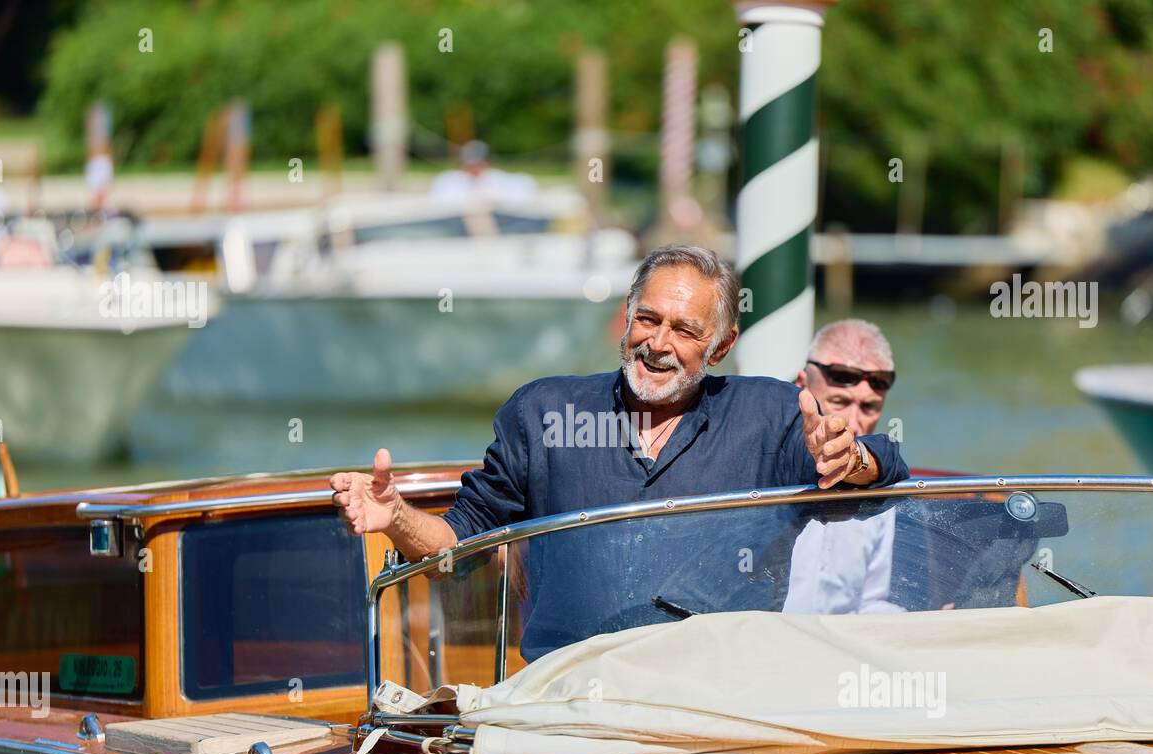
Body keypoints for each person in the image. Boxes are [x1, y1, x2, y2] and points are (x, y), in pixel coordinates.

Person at [332, 245, 910, 658]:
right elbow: (461, 548)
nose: (658, 344)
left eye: (685, 331)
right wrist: (398, 517)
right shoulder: (544, 413)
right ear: (626, 317)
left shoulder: (770, 412)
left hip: (718, 705)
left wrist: (850, 459)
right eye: (648, 320)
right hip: (568, 702)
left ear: (722, 345)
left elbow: (887, 463)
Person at [783, 319, 903, 615]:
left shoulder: (882, 487)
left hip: (841, 652)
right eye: (839, 401)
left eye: (869, 407)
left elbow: (871, 602)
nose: (853, 422)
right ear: (802, 387)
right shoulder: (762, 462)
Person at [427, 140, 537, 204]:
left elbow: (524, 189)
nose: (473, 169)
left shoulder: (498, 179)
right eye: (469, 165)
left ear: (485, 163)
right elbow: (438, 200)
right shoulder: (449, 180)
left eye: (477, 164)